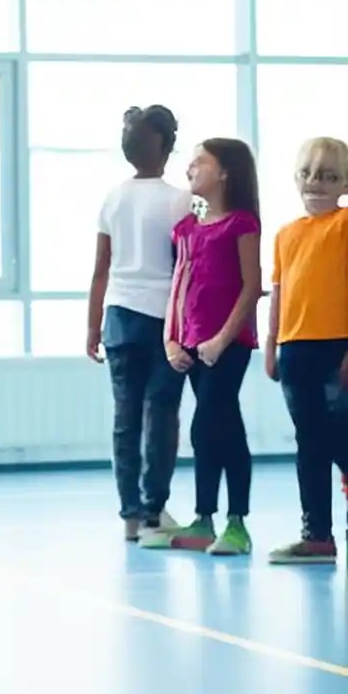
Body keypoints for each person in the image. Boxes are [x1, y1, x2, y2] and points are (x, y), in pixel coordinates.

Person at [142, 138, 262, 556]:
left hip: (228, 345)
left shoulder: (242, 224)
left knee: (217, 423)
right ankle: (204, 520)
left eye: (200, 161)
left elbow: (252, 288)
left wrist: (220, 340)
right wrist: (170, 340)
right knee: (207, 429)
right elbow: (178, 289)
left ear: (225, 172)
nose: (189, 167)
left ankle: (236, 523)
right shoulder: (186, 231)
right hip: (191, 345)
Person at [85, 105, 191, 542]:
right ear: (167, 146)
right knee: (161, 415)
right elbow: (187, 265)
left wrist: (93, 326)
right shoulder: (179, 199)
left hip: (119, 317)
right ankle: (153, 510)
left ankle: (130, 514)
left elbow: (100, 268)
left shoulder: (113, 196)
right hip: (166, 320)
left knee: (125, 418)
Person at [265, 137, 348, 565]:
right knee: (309, 442)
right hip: (295, 348)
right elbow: (279, 293)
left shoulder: (344, 224)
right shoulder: (285, 234)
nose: (316, 183)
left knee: (342, 438)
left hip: (338, 348)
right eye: (308, 174)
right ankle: (316, 534)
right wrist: (271, 344)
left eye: (329, 176)